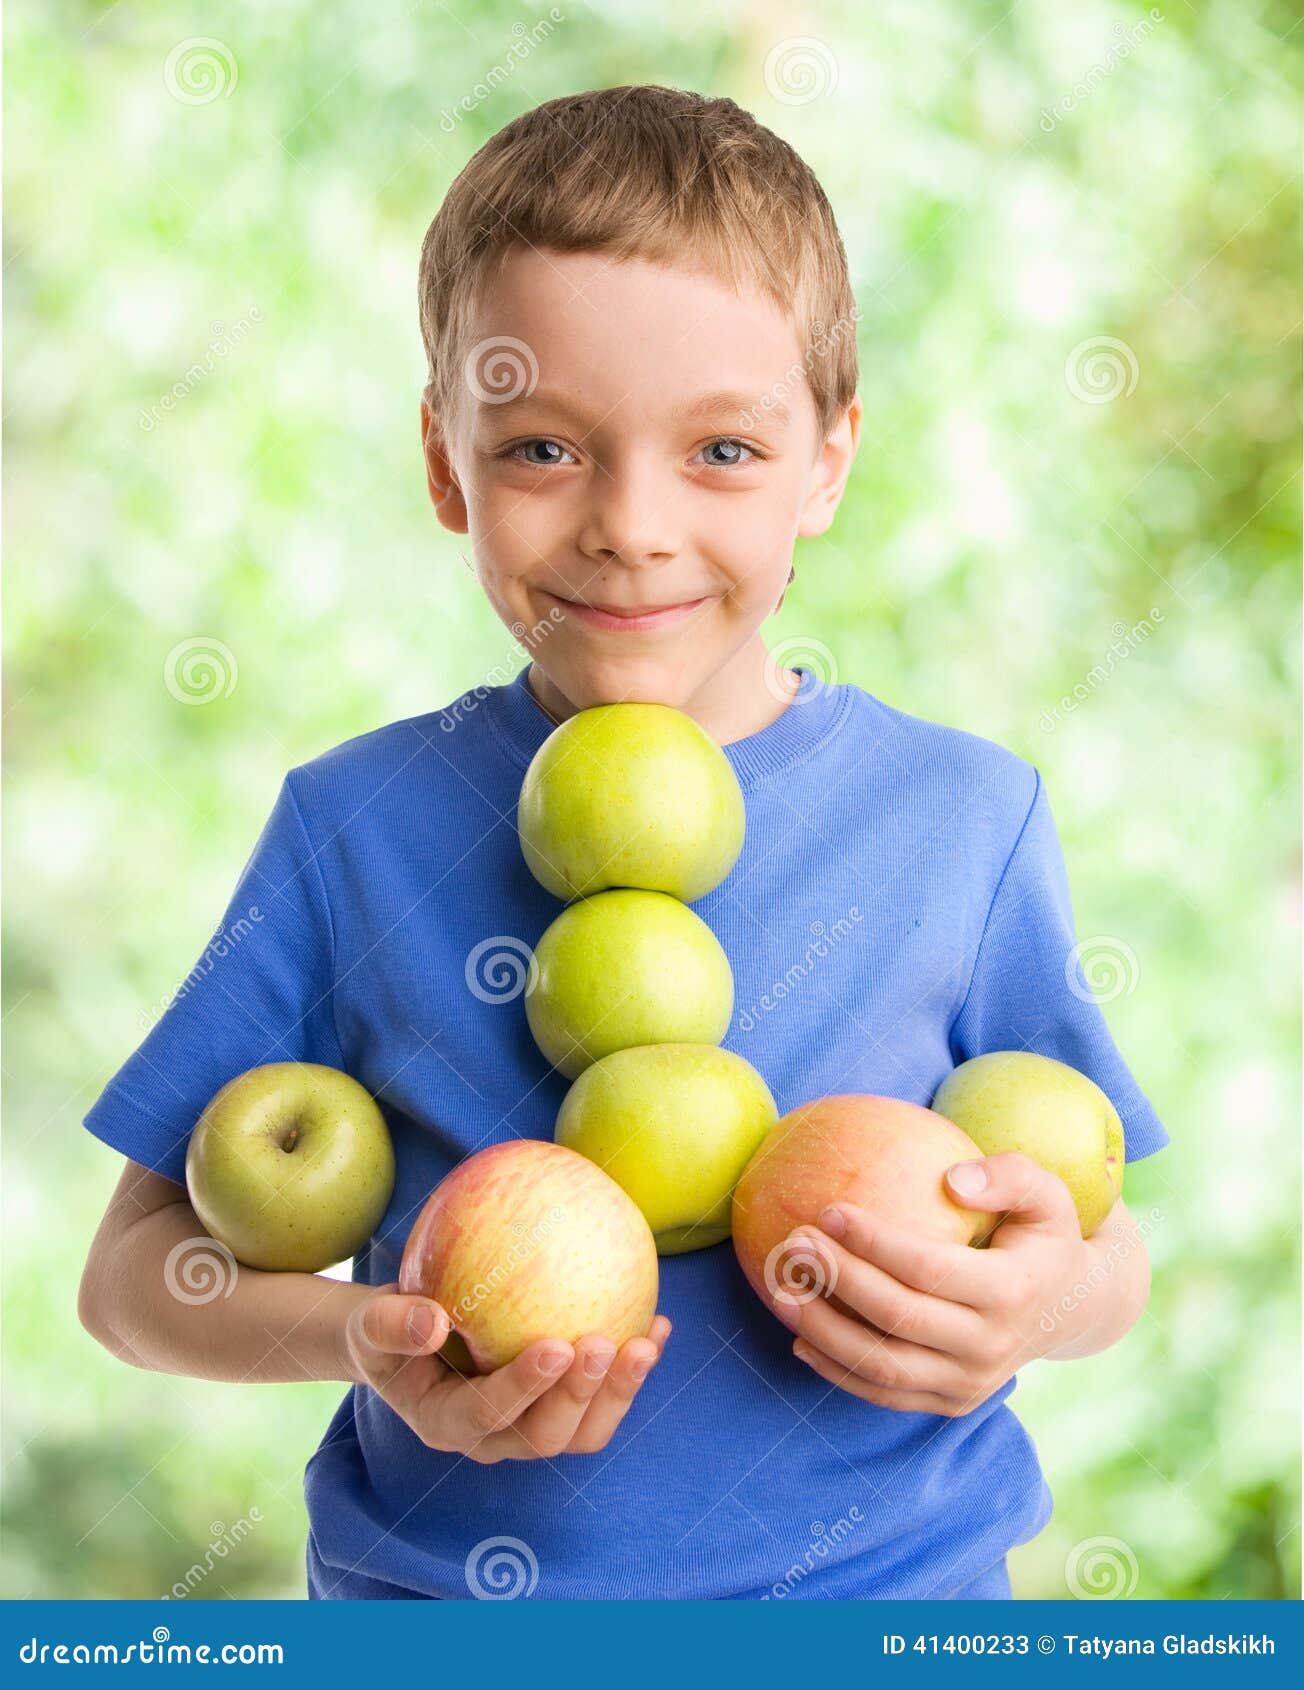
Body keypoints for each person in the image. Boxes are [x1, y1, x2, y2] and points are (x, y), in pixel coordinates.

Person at [77, 84, 1165, 1601]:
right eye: (541, 448)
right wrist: (370, 1340)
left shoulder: (965, 818)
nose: (631, 527)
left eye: (722, 450)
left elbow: (1111, 1250)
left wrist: (1040, 1305)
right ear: (445, 463)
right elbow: (133, 1281)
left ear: (828, 462)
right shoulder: (359, 823)